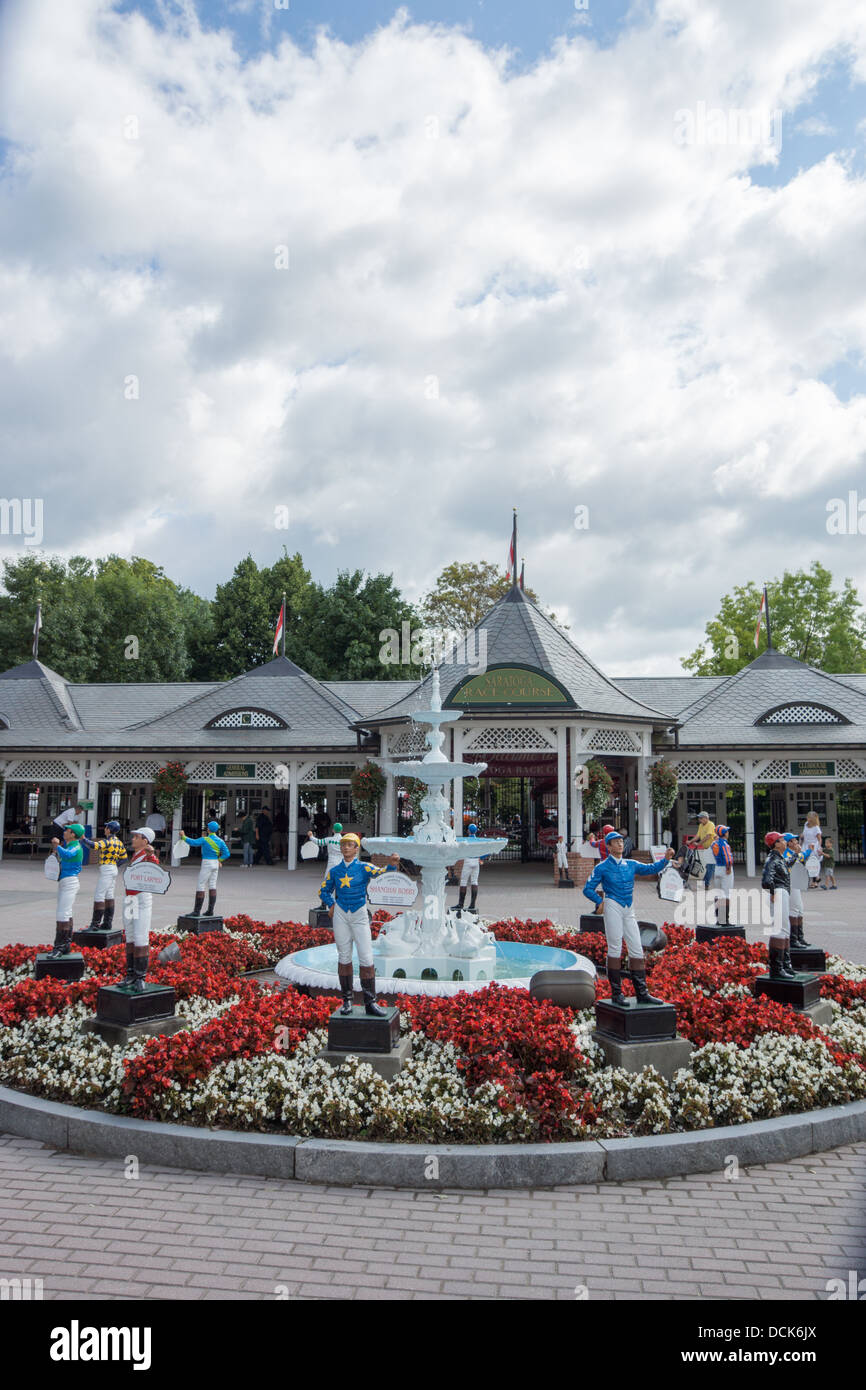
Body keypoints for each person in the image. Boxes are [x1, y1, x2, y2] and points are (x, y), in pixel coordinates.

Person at [583, 831, 675, 1005]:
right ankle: (617, 994)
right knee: (615, 948)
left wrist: (666, 859)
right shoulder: (602, 867)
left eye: (621, 841)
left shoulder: (631, 864)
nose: (620, 844)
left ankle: (642, 993)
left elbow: (650, 869)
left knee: (636, 948)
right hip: (612, 906)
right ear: (608, 846)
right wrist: (599, 901)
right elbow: (587, 888)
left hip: (628, 908)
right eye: (616, 842)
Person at [320, 833, 401, 1017]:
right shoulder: (335, 870)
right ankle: (347, 1001)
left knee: (366, 957)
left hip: (359, 914)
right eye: (343, 845)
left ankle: (370, 1002)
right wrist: (331, 904)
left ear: (356, 849)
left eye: (350, 845)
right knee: (344, 956)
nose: (346, 848)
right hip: (341, 914)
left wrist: (392, 865)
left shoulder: (364, 867)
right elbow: (323, 890)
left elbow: (381, 873)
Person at [120, 826, 160, 992]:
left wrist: (152, 855)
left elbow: (155, 867)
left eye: (136, 837)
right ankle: (130, 974)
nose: (133, 839)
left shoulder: (146, 855)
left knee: (140, 936)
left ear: (145, 841)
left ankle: (140, 976)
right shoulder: (136, 855)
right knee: (130, 935)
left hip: (141, 898)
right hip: (130, 899)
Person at [80, 819, 128, 932]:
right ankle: (107, 923)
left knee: (99, 895)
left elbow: (94, 845)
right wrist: (115, 865)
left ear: (109, 830)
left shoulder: (107, 841)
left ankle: (95, 924)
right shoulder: (119, 842)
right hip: (113, 868)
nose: (105, 829)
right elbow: (124, 858)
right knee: (109, 895)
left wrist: (83, 839)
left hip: (106, 868)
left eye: (106, 827)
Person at [47, 821, 86, 957]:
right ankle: (66, 944)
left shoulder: (76, 846)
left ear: (73, 834)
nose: (64, 832)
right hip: (65, 881)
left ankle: (60, 946)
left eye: (67, 830)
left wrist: (57, 846)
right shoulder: (70, 845)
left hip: (70, 882)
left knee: (62, 913)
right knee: (66, 912)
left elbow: (67, 855)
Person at [761, 831, 795, 979]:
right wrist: (773, 892)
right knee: (779, 929)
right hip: (779, 893)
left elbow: (786, 865)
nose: (785, 842)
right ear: (776, 844)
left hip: (782, 892)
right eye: (782, 840)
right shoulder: (772, 859)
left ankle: (785, 964)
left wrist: (795, 855)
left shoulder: (779, 858)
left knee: (785, 929)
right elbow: (766, 880)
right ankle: (776, 967)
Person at [180, 819, 231, 916]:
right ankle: (210, 911)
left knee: (201, 884)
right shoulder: (220, 841)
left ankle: (196, 911)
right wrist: (219, 860)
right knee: (212, 885)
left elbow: (193, 842)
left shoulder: (205, 839)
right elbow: (227, 854)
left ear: (208, 829)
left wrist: (183, 836)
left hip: (207, 863)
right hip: (215, 863)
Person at [781, 834, 816, 948]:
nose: (796, 841)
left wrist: (809, 851)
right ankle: (793, 939)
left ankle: (799, 937)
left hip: (796, 882)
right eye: (794, 840)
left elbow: (802, 856)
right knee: (794, 910)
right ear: (789, 843)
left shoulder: (793, 852)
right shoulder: (786, 853)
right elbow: (788, 864)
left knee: (799, 910)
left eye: (796, 839)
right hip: (790, 883)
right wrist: (797, 853)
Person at [456, 823, 487, 915]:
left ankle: (461, 904)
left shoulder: (466, 840)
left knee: (463, 882)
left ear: (468, 831)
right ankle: (472, 904)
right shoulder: (478, 841)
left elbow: (459, 849)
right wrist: (481, 857)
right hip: (476, 861)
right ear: (476, 831)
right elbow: (487, 851)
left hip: (468, 860)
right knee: (474, 881)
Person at [710, 824, 735, 923]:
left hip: (717, 868)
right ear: (725, 833)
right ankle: (725, 919)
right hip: (725, 869)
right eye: (727, 831)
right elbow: (728, 857)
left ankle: (718, 918)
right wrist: (728, 867)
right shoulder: (724, 844)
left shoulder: (714, 844)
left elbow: (713, 845)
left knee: (718, 894)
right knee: (726, 895)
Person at [688, 811, 717, 889]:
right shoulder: (701, 825)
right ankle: (705, 883)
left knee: (710, 867)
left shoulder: (710, 824)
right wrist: (690, 841)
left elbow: (708, 836)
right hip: (707, 849)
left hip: (712, 848)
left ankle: (705, 884)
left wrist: (698, 844)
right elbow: (698, 836)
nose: (699, 820)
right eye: (699, 818)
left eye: (701, 818)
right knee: (709, 867)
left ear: (706, 818)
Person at [801, 811, 822, 887]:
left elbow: (819, 839)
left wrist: (819, 847)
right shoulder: (806, 824)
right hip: (805, 845)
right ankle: (816, 877)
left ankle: (814, 881)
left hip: (813, 846)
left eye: (809, 817)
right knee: (804, 861)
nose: (807, 818)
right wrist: (802, 837)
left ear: (812, 818)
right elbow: (804, 833)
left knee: (812, 863)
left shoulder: (816, 828)